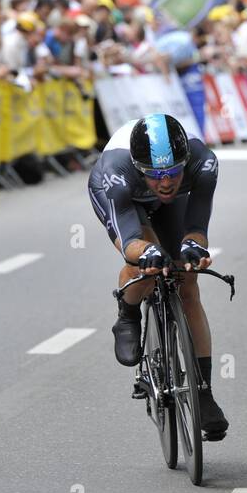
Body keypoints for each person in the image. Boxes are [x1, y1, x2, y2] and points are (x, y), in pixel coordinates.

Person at [87, 113, 228, 440]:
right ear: (141, 169)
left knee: (187, 280)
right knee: (146, 266)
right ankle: (128, 313)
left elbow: (197, 228)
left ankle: (203, 392)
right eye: (156, 175)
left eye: (173, 172)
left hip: (171, 204)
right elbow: (130, 244)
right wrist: (148, 251)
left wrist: (194, 247)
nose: (165, 182)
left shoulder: (203, 163)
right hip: (125, 199)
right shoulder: (117, 171)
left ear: (185, 163)